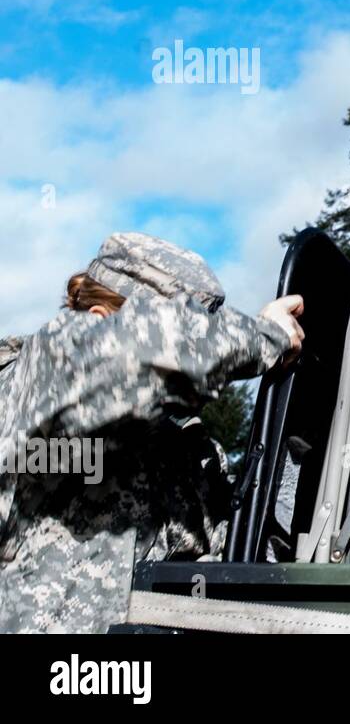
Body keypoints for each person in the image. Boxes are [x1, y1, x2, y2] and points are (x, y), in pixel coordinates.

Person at [0, 232, 304, 633]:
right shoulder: (35, 378)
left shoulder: (181, 450)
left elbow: (244, 560)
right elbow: (149, 349)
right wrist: (265, 335)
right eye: (187, 322)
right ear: (98, 322)